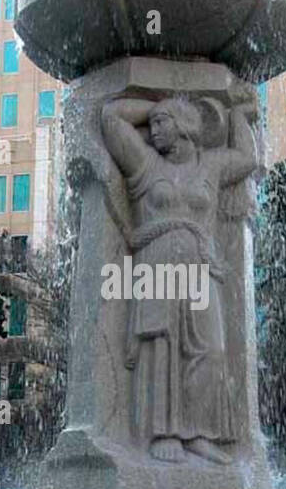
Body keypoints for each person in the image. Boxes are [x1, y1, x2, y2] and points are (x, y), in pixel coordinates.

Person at [100, 93, 257, 463]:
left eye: (161, 123)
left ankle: (200, 432)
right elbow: (111, 117)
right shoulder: (145, 163)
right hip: (157, 268)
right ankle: (163, 433)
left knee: (212, 350)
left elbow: (248, 160)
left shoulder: (212, 165)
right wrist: (157, 103)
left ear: (185, 126)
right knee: (162, 347)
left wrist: (237, 115)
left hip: (201, 268)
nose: (153, 131)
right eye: (152, 124)